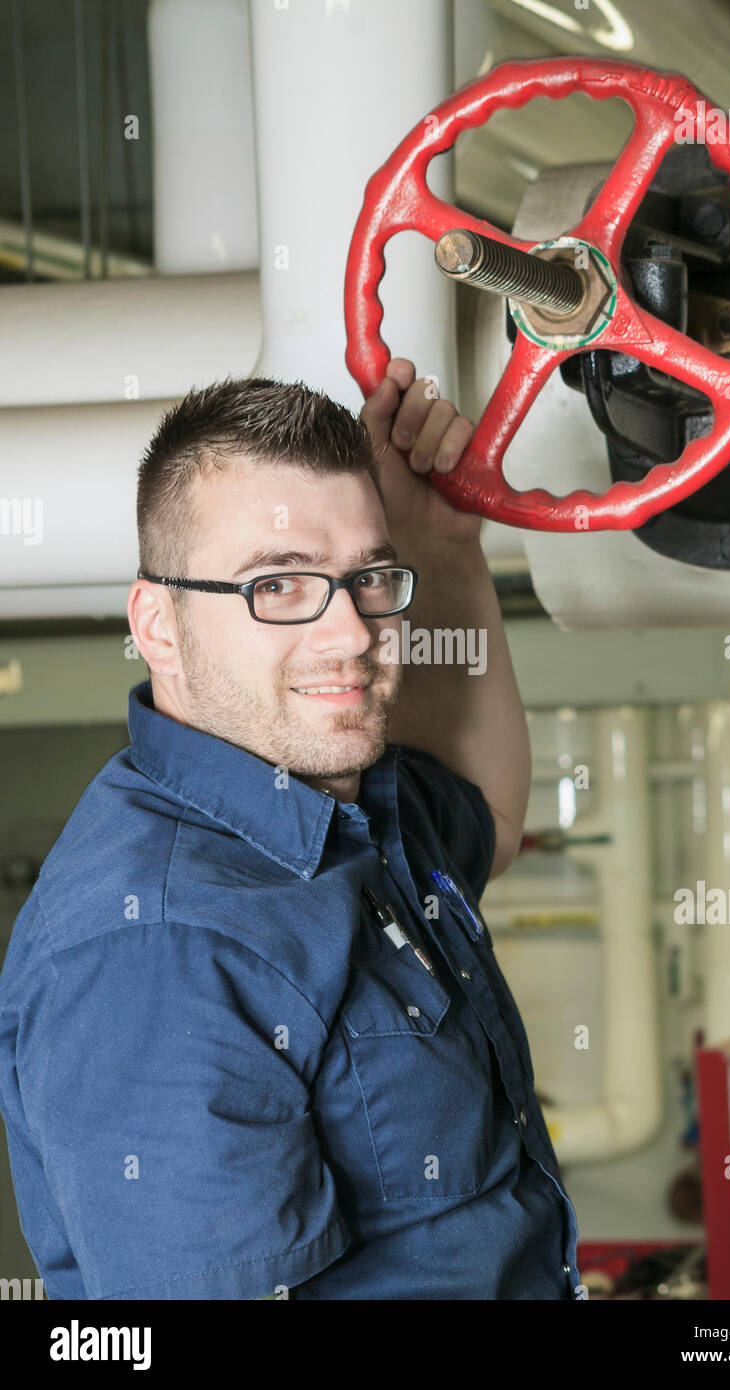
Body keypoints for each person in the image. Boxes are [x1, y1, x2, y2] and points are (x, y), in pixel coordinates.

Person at [0, 359, 581, 1299]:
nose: (351, 633)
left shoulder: (344, 802)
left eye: (368, 579)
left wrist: (443, 543)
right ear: (158, 624)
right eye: (278, 586)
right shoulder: (158, 946)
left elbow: (494, 816)